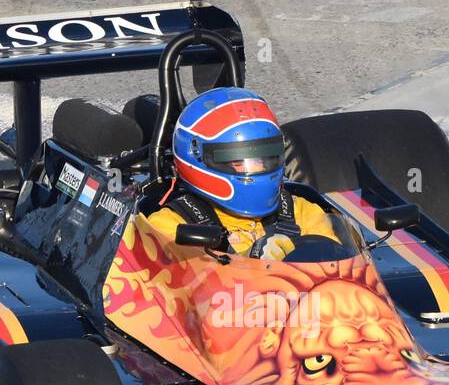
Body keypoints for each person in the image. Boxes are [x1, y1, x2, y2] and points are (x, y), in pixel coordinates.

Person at [144, 87, 338, 259]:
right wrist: (247, 261)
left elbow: (341, 268)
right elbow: (178, 287)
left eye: (266, 156)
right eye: (240, 161)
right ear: (197, 157)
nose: (258, 166)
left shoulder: (302, 212)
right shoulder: (169, 227)